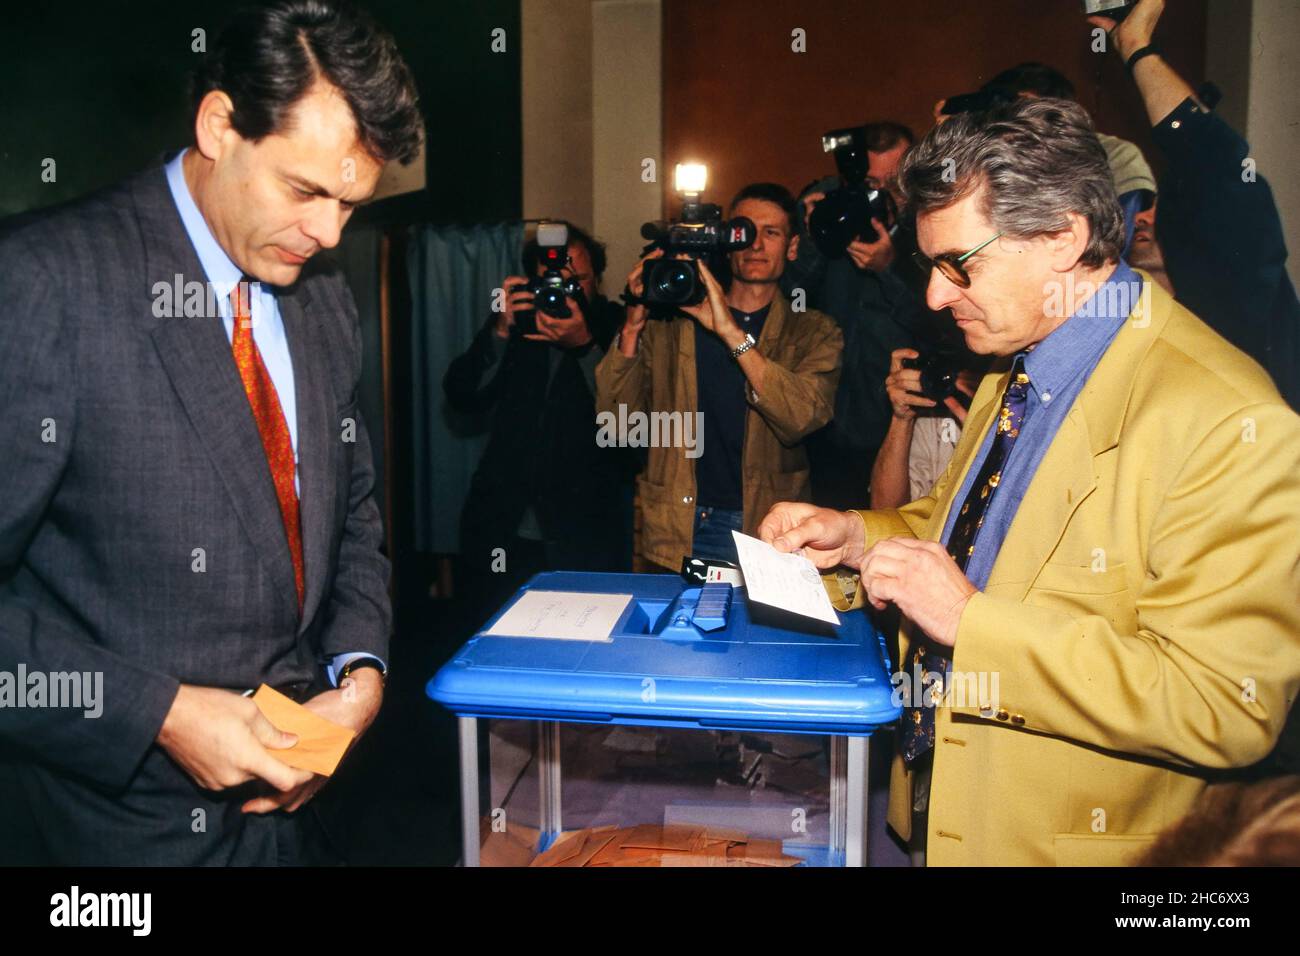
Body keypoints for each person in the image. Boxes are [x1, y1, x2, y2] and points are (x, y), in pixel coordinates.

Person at [758, 96, 1300, 866]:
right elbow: (959, 532)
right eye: (928, 267)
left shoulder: (1227, 419)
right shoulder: (1017, 365)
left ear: (1063, 237)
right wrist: (855, 536)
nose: (936, 296)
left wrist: (972, 625)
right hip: (944, 816)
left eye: (958, 265)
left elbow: (1224, 702)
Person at [0, 0, 420, 864]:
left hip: (300, 820)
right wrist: (161, 713)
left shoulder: (326, 299)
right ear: (220, 123)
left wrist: (359, 677)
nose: (328, 232)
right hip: (112, 837)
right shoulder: (43, 282)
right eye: (305, 191)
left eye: (352, 203)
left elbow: (355, 519)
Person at [596, 182, 842, 570]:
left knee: (752, 633)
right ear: (727, 241)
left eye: (772, 233)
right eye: (745, 232)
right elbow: (619, 425)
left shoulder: (813, 331)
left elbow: (800, 418)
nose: (756, 245)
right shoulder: (670, 326)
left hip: (765, 527)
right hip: (675, 523)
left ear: (792, 247)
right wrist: (632, 325)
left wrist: (730, 332)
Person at [1088, 0, 1299, 411]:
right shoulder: (1125, 319)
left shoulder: (1237, 295)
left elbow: (1210, 156)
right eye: (1132, 210)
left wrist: (1137, 48)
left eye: (1154, 207)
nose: (1141, 218)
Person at [445, 224, 636, 621]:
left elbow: (628, 429)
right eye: (554, 281)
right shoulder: (518, 325)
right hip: (504, 527)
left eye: (577, 280)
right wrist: (498, 330)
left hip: (584, 530)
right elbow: (462, 396)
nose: (564, 291)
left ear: (597, 280)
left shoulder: (620, 327)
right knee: (492, 635)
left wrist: (584, 345)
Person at [785, 122, 927, 511]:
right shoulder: (838, 220)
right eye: (871, 181)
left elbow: (932, 323)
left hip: (891, 427)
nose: (881, 193)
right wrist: (815, 239)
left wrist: (888, 269)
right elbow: (791, 302)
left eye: (893, 181)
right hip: (824, 427)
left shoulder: (928, 231)